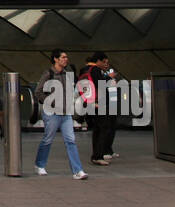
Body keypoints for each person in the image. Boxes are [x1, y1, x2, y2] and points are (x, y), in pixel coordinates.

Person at [35, 50, 87, 179]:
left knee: (71, 140)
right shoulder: (49, 74)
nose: (65, 59)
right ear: (55, 59)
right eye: (63, 57)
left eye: (66, 57)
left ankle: (77, 170)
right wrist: (50, 102)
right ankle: (40, 164)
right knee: (48, 139)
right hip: (52, 112)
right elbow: (38, 92)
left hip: (65, 113)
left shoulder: (67, 74)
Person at [81, 51, 118, 166]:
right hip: (99, 104)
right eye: (104, 62)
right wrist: (109, 79)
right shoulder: (95, 70)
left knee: (97, 129)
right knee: (103, 129)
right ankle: (98, 155)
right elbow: (101, 85)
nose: (105, 64)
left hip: (91, 102)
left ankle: (97, 155)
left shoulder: (85, 69)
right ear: (98, 61)